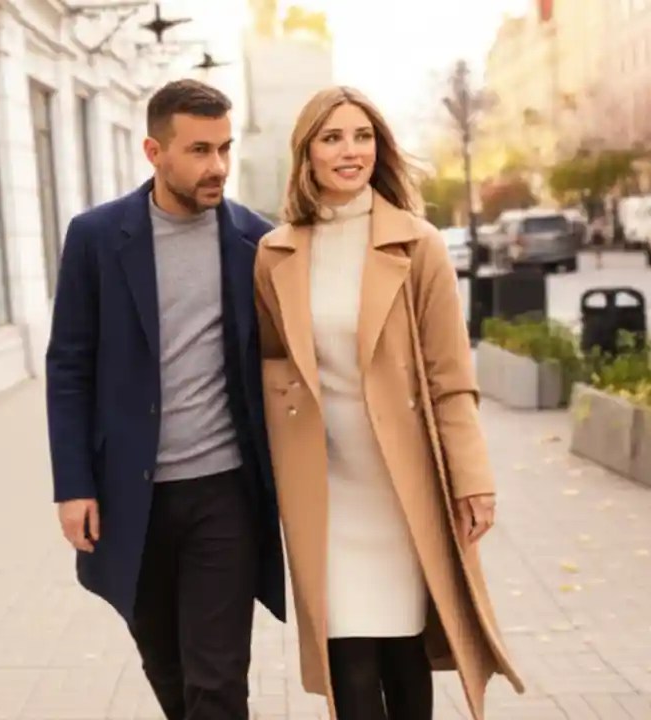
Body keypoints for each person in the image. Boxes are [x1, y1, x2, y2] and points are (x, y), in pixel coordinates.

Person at [252, 86, 526, 720]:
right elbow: (273, 364)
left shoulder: (418, 244)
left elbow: (450, 377)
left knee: (403, 649)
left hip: (402, 485)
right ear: (307, 155)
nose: (350, 152)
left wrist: (472, 481)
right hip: (325, 488)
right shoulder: (277, 252)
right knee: (346, 652)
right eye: (332, 138)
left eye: (362, 136)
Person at [45, 78, 286, 720]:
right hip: (132, 495)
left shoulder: (256, 242)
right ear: (155, 152)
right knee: (169, 670)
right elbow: (68, 365)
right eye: (200, 150)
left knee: (218, 680)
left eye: (225, 148)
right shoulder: (97, 238)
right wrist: (73, 484)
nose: (218, 167)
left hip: (224, 494)